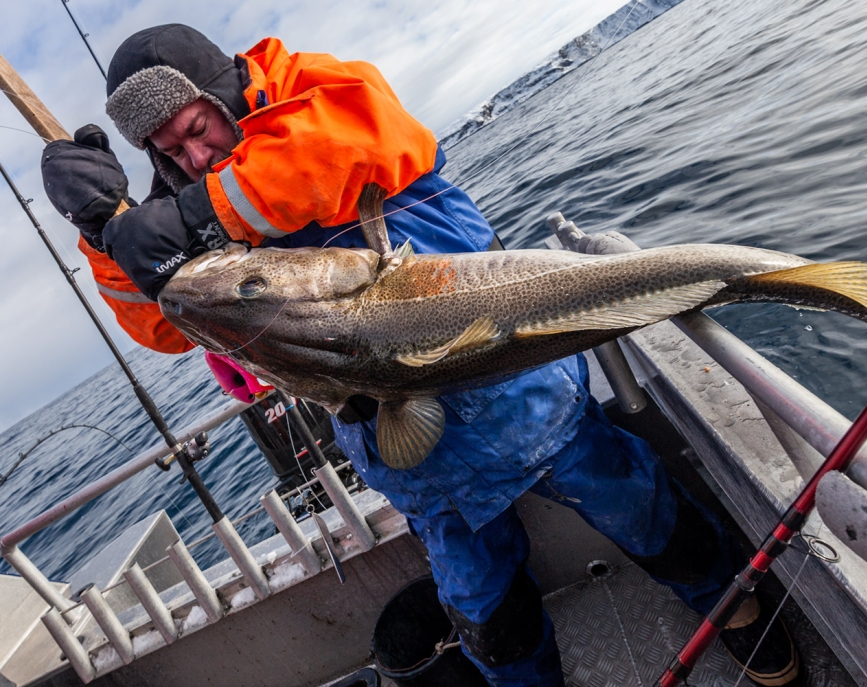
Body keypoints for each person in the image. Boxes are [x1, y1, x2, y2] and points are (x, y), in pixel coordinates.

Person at [40, 24, 801, 686]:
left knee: (632, 497)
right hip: (406, 444)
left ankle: (733, 608)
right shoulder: (191, 219)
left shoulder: (309, 94)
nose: (198, 155)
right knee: (477, 597)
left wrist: (193, 213)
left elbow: (356, 140)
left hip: (517, 386)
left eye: (197, 126)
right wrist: (107, 234)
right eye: (172, 152)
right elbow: (171, 325)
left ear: (221, 89)